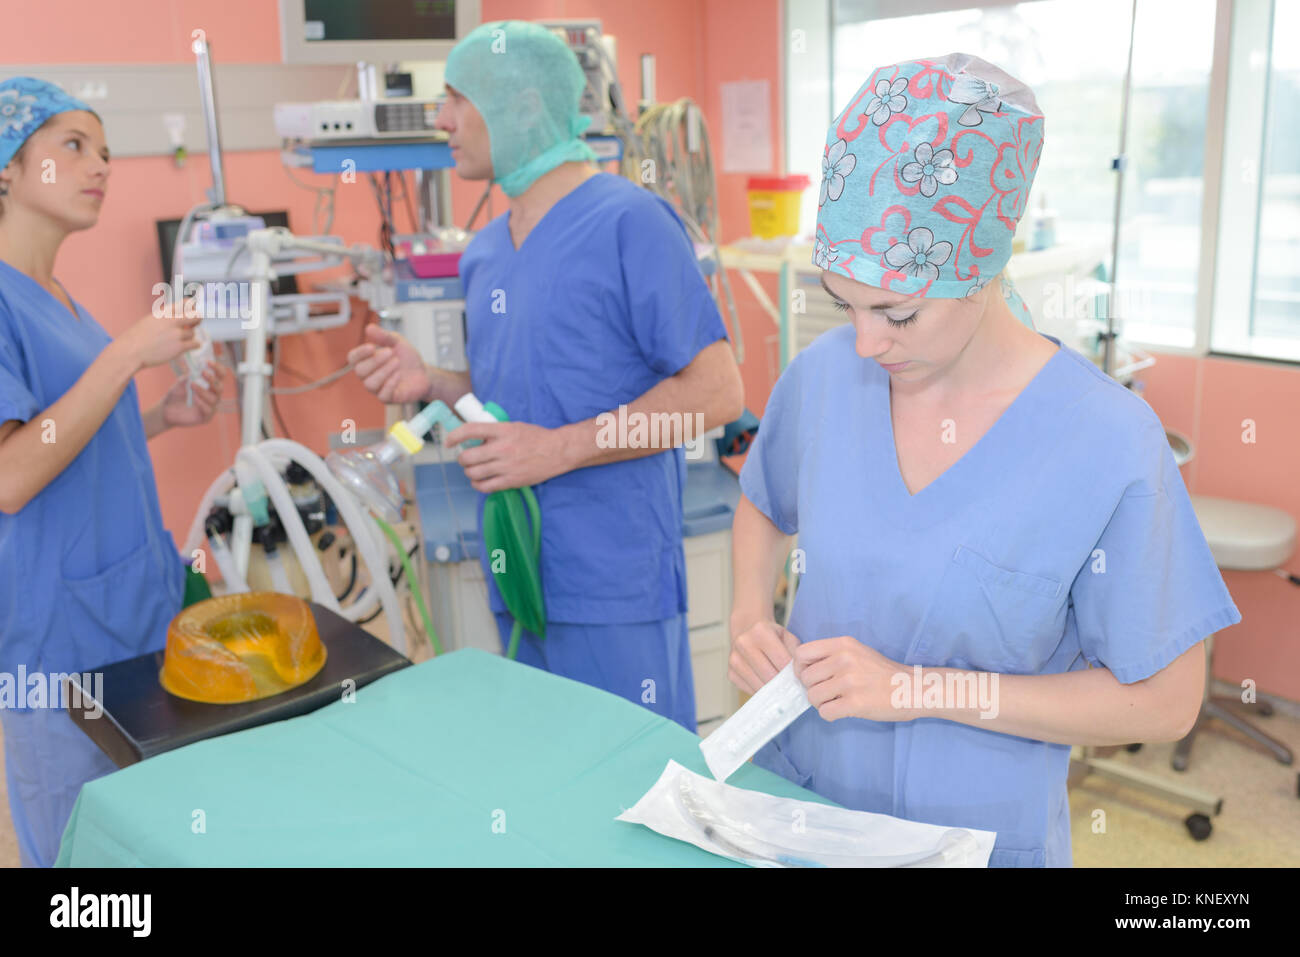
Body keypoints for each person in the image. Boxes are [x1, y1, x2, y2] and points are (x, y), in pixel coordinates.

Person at [729, 54, 1239, 867]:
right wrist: (750, 614)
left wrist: (917, 689)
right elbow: (761, 501)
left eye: (897, 312)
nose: (865, 341)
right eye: (845, 303)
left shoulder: (1104, 442)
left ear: (981, 269)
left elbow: (1168, 701)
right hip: (798, 810)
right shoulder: (828, 377)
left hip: (973, 840)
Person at [349, 22, 743, 732]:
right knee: (550, 787)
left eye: (457, 99)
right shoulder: (486, 253)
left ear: (521, 107)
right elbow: (521, 386)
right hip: (520, 567)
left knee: (633, 790)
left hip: (613, 577)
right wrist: (432, 380)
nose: (440, 119)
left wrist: (555, 450)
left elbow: (717, 393)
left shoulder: (633, 222)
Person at [0, 77, 225, 866]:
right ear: (7, 168)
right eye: (73, 146)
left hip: (127, 615)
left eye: (105, 151)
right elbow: (11, 475)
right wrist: (128, 351)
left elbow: (76, 439)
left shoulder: (55, 296)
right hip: (56, 646)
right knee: (78, 854)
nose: (100, 164)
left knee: (137, 842)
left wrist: (166, 416)